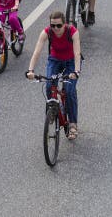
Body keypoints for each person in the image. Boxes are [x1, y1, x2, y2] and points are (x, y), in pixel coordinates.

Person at [26, 11, 82, 140]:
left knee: (69, 90)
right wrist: (31, 70)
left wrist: (76, 72)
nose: (56, 28)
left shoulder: (72, 32)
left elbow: (77, 53)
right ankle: (52, 110)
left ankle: (73, 124)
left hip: (71, 62)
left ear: (64, 24)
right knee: (49, 84)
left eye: (59, 25)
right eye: (53, 25)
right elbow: (36, 52)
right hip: (55, 60)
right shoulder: (47, 32)